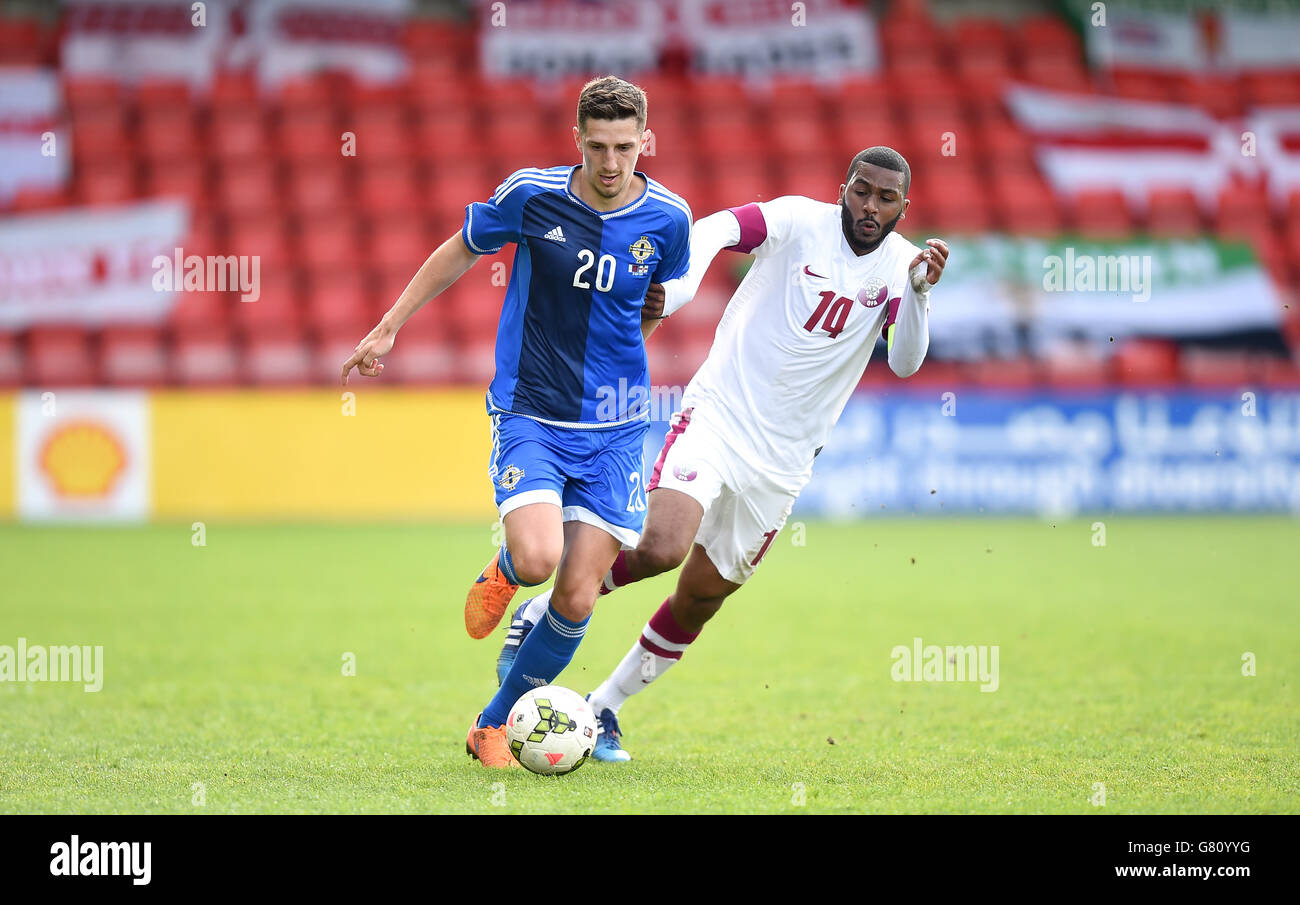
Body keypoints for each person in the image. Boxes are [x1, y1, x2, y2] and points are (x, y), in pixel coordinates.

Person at [497, 146, 948, 761]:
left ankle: (604, 708)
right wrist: (677, 289)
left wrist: (919, 294)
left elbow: (903, 363)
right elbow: (717, 228)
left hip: (785, 461)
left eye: (885, 198)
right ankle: (546, 610)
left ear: (904, 206)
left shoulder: (901, 267)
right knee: (661, 547)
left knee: (702, 595)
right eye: (861, 190)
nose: (870, 206)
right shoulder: (796, 221)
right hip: (719, 415)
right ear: (844, 187)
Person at [342, 76, 691, 768]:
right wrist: (388, 326)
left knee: (578, 590)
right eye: (598, 147)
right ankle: (505, 569)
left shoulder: (669, 218)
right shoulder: (532, 195)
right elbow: (461, 248)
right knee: (537, 558)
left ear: (644, 141)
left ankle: (491, 724)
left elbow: (653, 302)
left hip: (616, 426)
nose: (612, 162)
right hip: (531, 409)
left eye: (625, 147)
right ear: (578, 141)